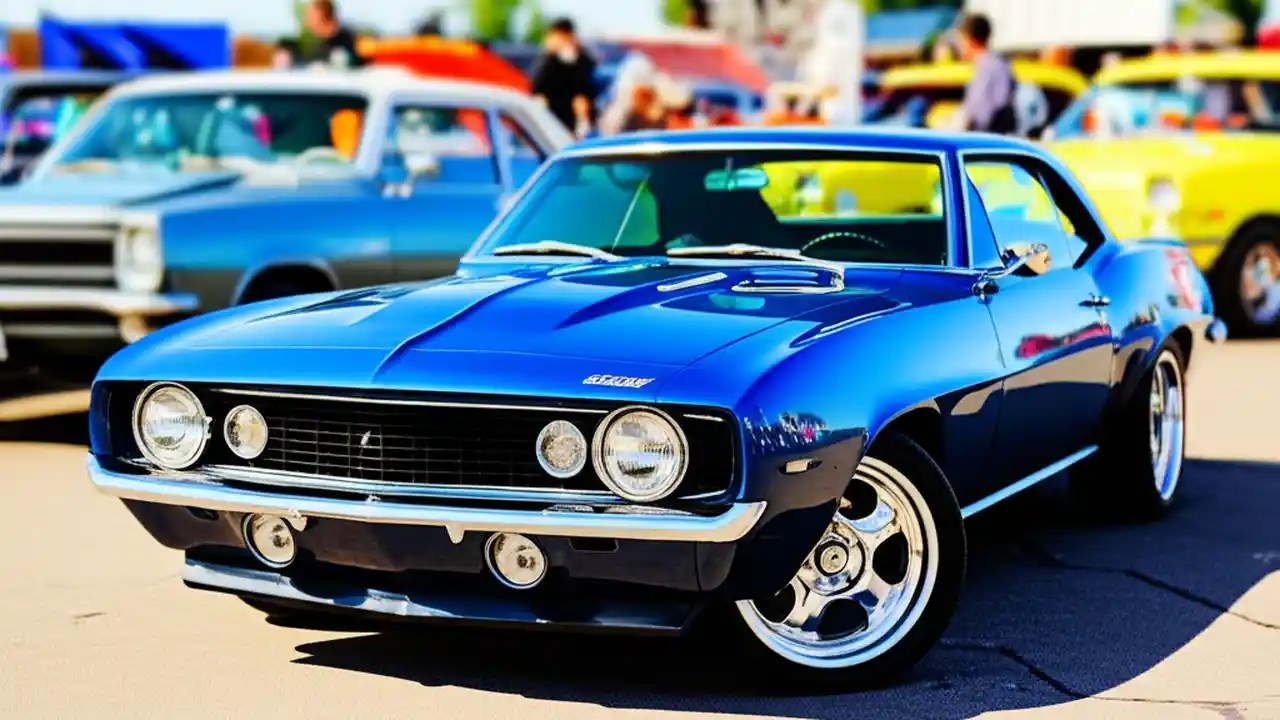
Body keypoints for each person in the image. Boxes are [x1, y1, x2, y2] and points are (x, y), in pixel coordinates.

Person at [531, 18, 597, 138]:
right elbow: (537, 88)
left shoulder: (582, 61)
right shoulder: (547, 61)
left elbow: (585, 89)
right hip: (553, 119)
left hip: (575, 120)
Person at [955, 13, 1016, 134]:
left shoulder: (988, 68)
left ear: (970, 41)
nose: (959, 47)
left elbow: (978, 115)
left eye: (960, 41)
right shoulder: (998, 64)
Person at [300, 0, 365, 69]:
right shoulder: (319, 46)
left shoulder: (350, 41)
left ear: (321, 14)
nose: (307, 22)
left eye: (310, 16)